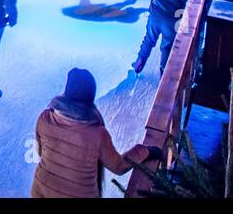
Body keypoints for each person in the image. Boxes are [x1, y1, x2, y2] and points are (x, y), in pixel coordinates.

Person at [30, 68, 157, 198]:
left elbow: (40, 152)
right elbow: (118, 166)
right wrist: (144, 151)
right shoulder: (97, 134)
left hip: (41, 192)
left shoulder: (45, 118)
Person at [132, 0, 193, 75]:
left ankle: (139, 61)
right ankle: (164, 72)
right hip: (169, 21)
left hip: (154, 15)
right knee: (166, 46)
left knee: (148, 39)